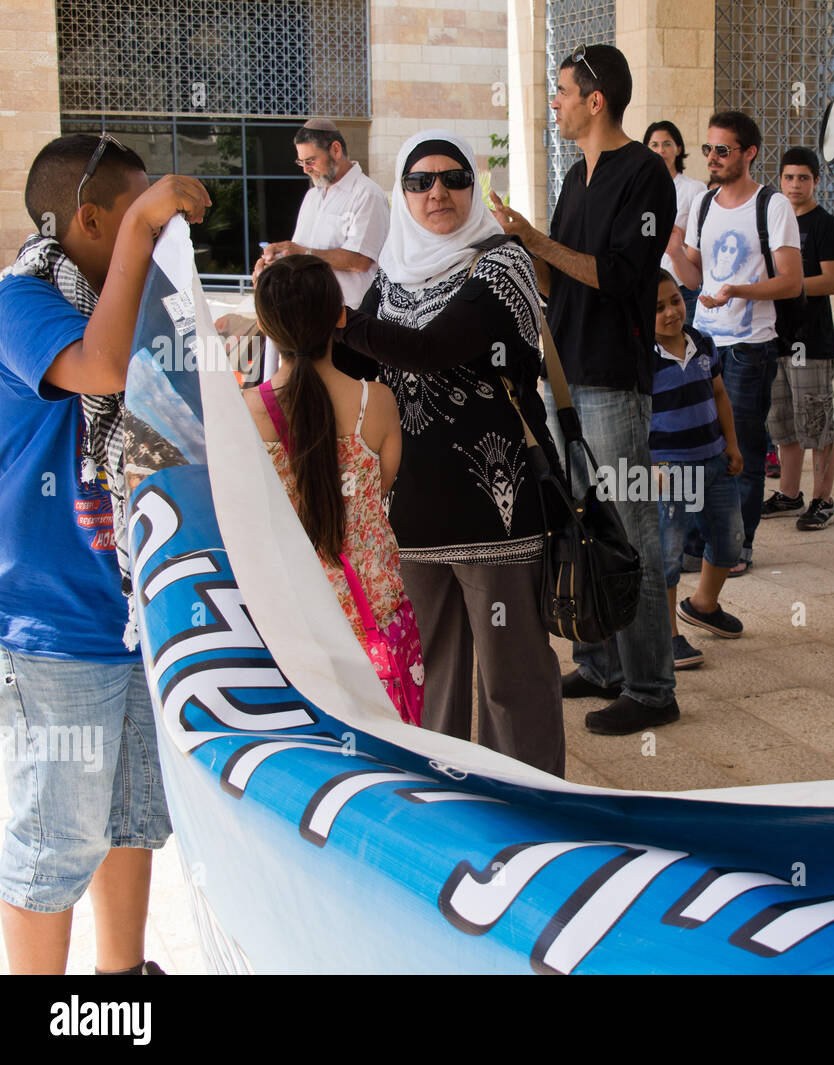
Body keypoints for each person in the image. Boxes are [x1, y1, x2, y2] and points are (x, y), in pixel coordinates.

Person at [0, 133, 209, 973]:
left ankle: (120, 980)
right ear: (89, 219)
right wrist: (143, 229)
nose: (153, 245)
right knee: (54, 841)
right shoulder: (22, 301)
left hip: (129, 612)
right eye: (134, 224)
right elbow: (102, 366)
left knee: (130, 820)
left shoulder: (115, 302)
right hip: (51, 627)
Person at [332, 128, 564, 775]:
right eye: (420, 180)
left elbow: (434, 347)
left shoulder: (500, 260)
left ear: (474, 187)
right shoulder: (391, 275)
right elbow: (353, 359)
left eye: (454, 178)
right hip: (414, 508)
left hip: (495, 506)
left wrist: (341, 320)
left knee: (509, 674)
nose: (438, 191)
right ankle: (447, 801)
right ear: (401, 193)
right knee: (433, 670)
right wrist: (291, 313)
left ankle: (532, 802)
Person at [488, 45, 680, 736]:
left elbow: (623, 276)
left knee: (628, 532)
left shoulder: (647, 174)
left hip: (611, 381)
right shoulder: (576, 175)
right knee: (574, 521)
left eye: (563, 91)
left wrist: (535, 238)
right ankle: (599, 663)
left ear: (596, 99)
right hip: (563, 373)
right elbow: (561, 281)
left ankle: (653, 685)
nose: (555, 102)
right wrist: (517, 250)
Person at [242, 254, 419, 717]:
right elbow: (381, 487)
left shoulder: (242, 412)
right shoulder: (376, 402)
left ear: (264, 324)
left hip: (284, 619)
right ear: (340, 318)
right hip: (372, 616)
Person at [671, 109, 803, 575]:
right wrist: (670, 241)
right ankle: (694, 545)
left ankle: (736, 546)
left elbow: (791, 282)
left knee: (739, 451)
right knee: (696, 447)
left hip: (749, 346)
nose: (712, 157)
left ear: (749, 153)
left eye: (722, 150)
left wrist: (739, 291)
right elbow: (694, 274)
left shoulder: (773, 206)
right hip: (703, 342)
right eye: (707, 149)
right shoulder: (704, 204)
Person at [649, 271, 745, 669]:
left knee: (730, 539)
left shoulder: (703, 342)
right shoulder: (641, 356)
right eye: (658, 307)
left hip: (715, 460)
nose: (672, 311)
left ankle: (704, 604)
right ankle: (666, 636)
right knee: (668, 554)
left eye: (675, 300)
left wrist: (732, 444)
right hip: (669, 469)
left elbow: (719, 394)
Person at [761, 146, 834, 531]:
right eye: (789, 177)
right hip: (775, 337)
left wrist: (785, 286)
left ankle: (822, 499)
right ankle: (790, 493)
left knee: (816, 421)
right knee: (782, 422)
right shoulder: (773, 223)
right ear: (780, 180)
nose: (795, 185)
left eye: (803, 178)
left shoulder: (826, 225)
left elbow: (831, 281)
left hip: (811, 342)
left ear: (815, 181)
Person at [258, 118, 390, 309]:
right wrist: (275, 260)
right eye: (300, 162)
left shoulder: (368, 194)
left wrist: (302, 252)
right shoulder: (312, 196)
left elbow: (360, 261)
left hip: (351, 316)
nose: (305, 169)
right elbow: (298, 250)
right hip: (311, 310)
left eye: (311, 161)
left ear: (336, 150)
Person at [645, 120, 707, 322]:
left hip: (681, 287)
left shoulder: (694, 189)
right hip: (647, 284)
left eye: (667, 144)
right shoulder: (640, 191)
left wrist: (669, 229)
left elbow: (696, 240)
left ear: (678, 148)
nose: (661, 150)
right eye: (654, 145)